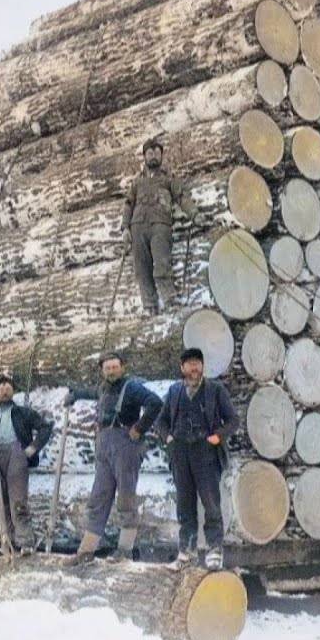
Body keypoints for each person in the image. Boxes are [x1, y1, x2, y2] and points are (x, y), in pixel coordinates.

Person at [63, 353, 164, 566]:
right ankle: (86, 551)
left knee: (126, 497)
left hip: (125, 444)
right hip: (104, 445)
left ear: (122, 368)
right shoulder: (103, 388)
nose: (111, 371)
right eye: (107, 368)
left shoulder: (132, 387)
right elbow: (91, 392)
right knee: (99, 496)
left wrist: (139, 428)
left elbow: (155, 403)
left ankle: (124, 551)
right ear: (103, 370)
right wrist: (75, 394)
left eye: (115, 367)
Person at [147, 348, 238, 570]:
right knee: (184, 505)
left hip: (205, 453)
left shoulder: (215, 390)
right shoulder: (175, 391)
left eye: (197, 363)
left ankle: (214, 549)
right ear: (182, 368)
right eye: (189, 364)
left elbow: (233, 420)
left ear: (202, 367)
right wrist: (168, 438)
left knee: (211, 503)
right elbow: (160, 421)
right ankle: (186, 550)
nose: (193, 367)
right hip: (181, 454)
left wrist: (217, 437)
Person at [122, 136, 197, 315]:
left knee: (162, 263)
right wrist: (125, 227)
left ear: (161, 156)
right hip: (138, 226)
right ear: (144, 157)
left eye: (157, 153)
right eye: (150, 153)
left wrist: (194, 213)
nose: (153, 156)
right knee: (142, 268)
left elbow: (181, 197)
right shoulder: (137, 182)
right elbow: (128, 203)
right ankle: (149, 306)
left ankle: (170, 300)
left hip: (160, 226)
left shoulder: (169, 178)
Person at [0, 376, 53, 554]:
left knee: (18, 500)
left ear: (12, 391)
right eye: (0, 387)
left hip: (16, 454)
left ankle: (25, 541)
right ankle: (7, 541)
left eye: (8, 387)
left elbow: (45, 427)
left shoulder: (22, 412)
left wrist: (33, 448)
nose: (4, 390)